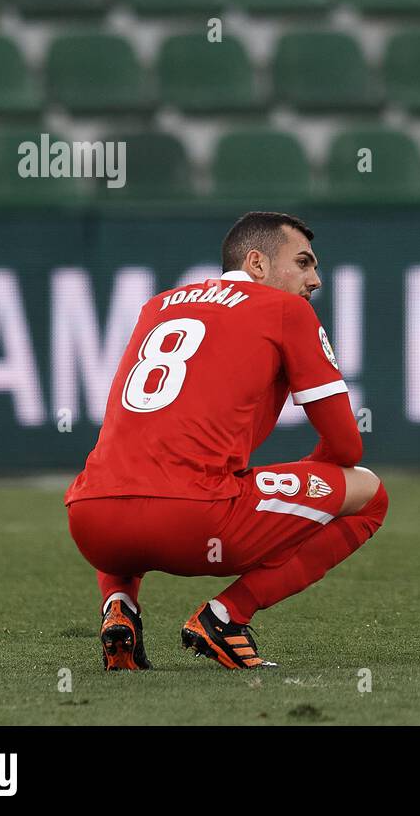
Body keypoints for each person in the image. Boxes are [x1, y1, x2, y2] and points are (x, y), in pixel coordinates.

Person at [65, 211, 387, 669]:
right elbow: (346, 449)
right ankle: (225, 618)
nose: (315, 280)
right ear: (257, 263)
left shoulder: (158, 305)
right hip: (195, 520)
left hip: (92, 522)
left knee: (130, 470)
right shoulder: (286, 310)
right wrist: (306, 488)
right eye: (303, 263)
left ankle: (119, 606)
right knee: (370, 494)